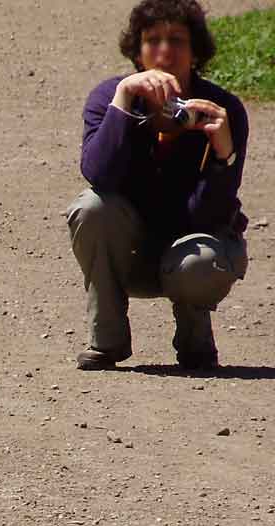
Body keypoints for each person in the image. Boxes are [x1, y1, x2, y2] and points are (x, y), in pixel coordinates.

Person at [66, 0, 249, 371]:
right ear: (137, 53)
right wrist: (123, 102)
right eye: (152, 40)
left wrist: (222, 156)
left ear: (195, 53)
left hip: (191, 254)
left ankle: (196, 341)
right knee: (91, 208)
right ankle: (107, 339)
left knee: (199, 260)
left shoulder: (221, 110)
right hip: (130, 252)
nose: (164, 51)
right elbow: (99, 175)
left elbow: (207, 217)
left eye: (177, 40)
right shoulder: (110, 98)